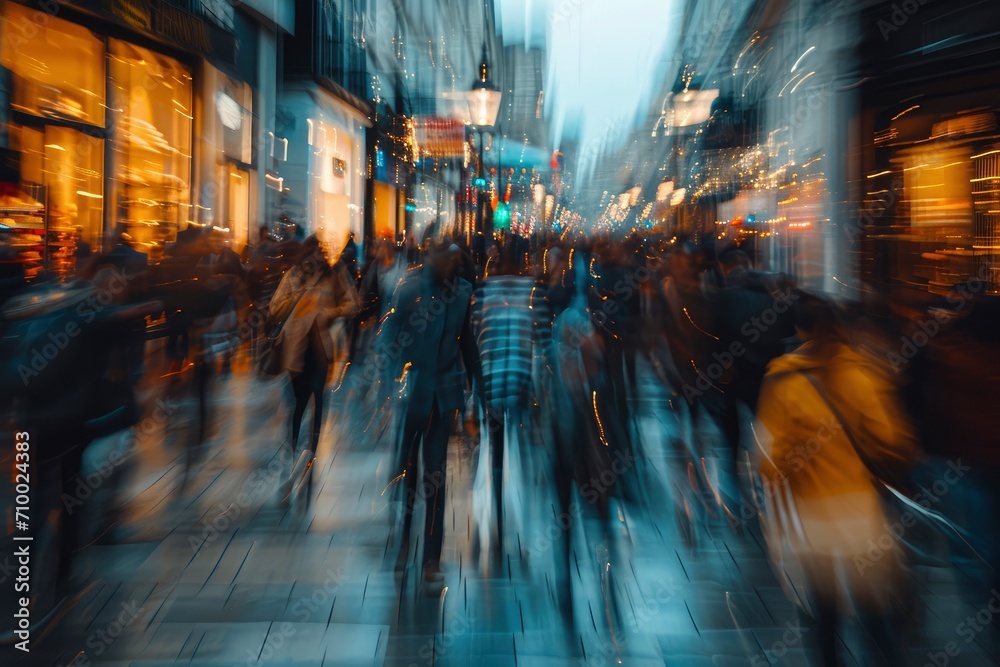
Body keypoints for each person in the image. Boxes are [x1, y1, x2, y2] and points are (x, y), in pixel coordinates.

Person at [755, 292, 918, 666]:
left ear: (799, 330)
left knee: (823, 613)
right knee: (873, 611)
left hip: (813, 519)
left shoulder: (783, 381)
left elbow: (769, 460)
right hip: (860, 513)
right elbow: (890, 439)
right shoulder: (860, 372)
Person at [377, 240, 481, 592]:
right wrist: (389, 373)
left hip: (443, 397)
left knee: (435, 478)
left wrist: (481, 388)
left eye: (453, 260)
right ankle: (404, 542)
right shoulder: (408, 288)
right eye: (443, 258)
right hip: (413, 394)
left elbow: (467, 342)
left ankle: (431, 559)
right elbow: (390, 332)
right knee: (408, 473)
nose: (448, 265)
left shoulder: (463, 292)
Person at [270, 236, 359, 498]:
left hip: (321, 350)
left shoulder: (333, 276)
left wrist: (327, 313)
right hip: (295, 351)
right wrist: (297, 303)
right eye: (311, 252)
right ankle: (291, 453)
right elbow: (274, 308)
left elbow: (353, 303)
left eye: (319, 252)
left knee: (318, 402)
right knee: (297, 405)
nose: (316, 257)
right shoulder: (293, 277)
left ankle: (311, 458)